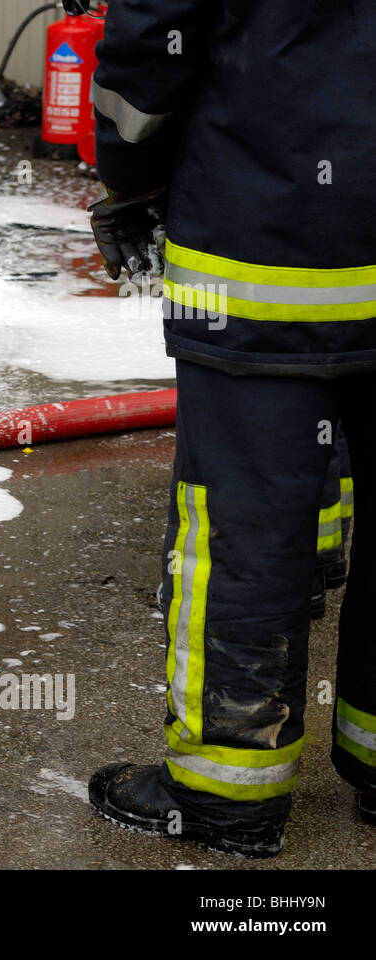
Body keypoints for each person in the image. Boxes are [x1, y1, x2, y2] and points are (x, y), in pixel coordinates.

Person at [86, 0, 376, 856]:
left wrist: (132, 181)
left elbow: (149, 49)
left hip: (266, 257)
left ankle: (225, 792)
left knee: (244, 526)